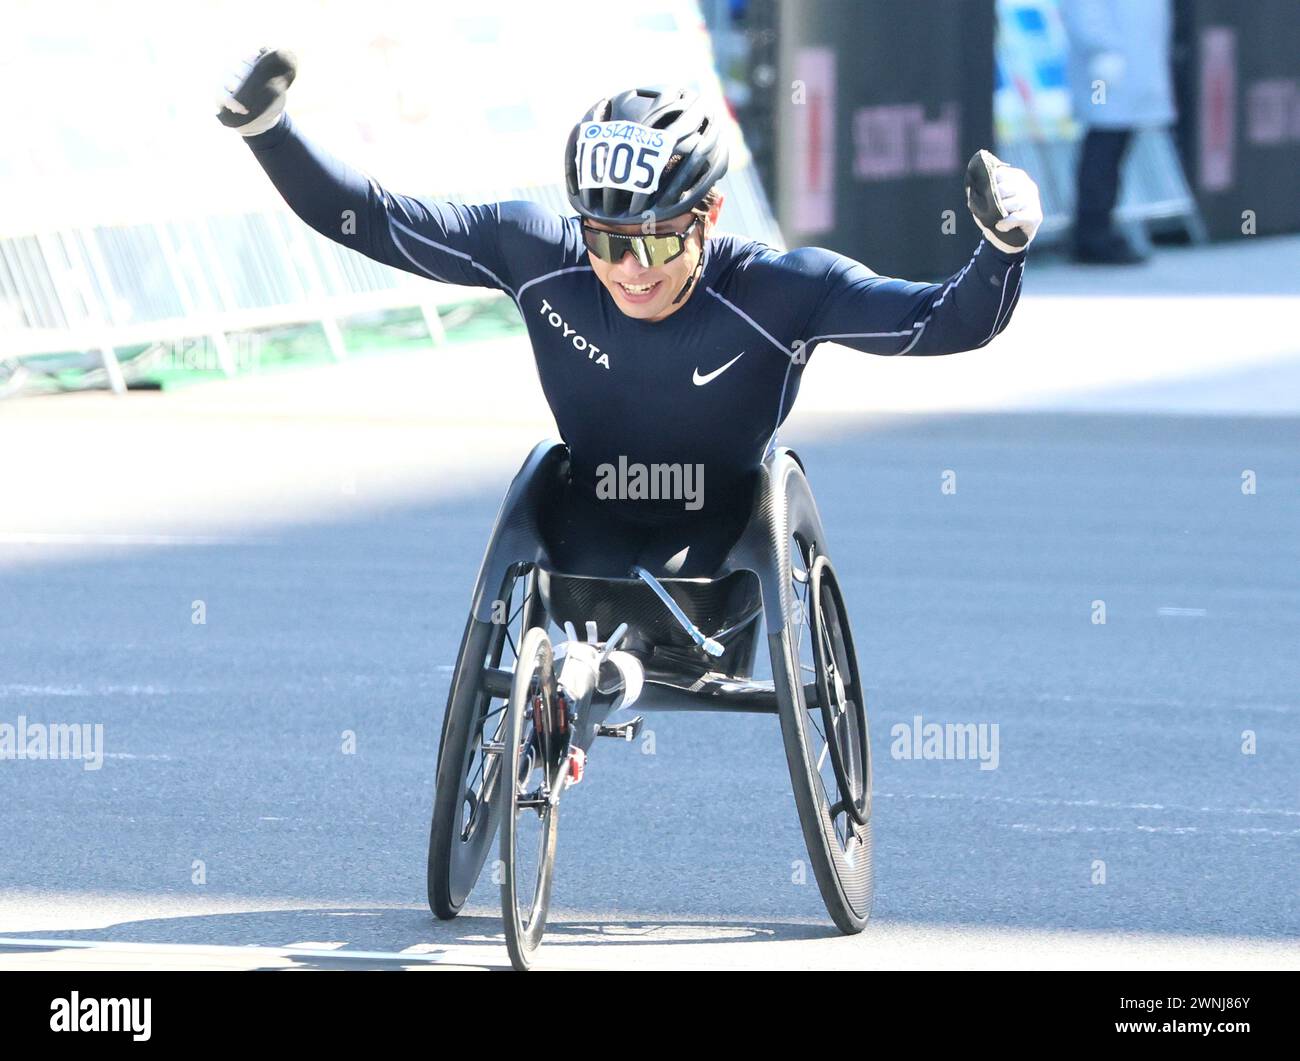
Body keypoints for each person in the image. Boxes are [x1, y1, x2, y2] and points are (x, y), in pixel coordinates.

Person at [217, 48, 1041, 577]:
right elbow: (371, 219)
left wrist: (1002, 246)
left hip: (722, 540)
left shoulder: (783, 291)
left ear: (710, 215)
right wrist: (269, 131)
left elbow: (945, 321)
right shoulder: (536, 255)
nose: (624, 271)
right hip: (586, 513)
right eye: (605, 242)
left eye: (651, 244)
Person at [1060, 0, 1177, 264]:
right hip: (1105, 67)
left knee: (1115, 149)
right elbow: (1083, 9)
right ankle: (1092, 233)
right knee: (1103, 147)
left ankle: (1098, 229)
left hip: (1131, 62)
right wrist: (1101, 48)